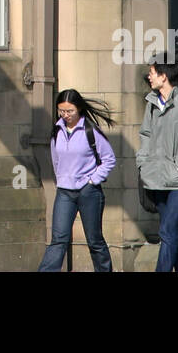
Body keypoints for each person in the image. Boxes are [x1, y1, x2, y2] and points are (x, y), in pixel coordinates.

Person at [36, 89, 116, 272]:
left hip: (89, 192)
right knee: (58, 240)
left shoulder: (90, 130)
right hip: (64, 192)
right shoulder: (57, 130)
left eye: (69, 111)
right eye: (61, 111)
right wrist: (62, 179)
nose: (65, 115)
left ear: (78, 108)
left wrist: (92, 180)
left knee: (94, 240)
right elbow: (55, 159)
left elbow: (109, 159)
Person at [136, 61, 178, 272]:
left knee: (167, 231)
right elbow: (145, 136)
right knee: (175, 233)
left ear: (164, 76)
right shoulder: (151, 105)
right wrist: (143, 163)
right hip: (156, 179)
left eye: (152, 73)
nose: (149, 77)